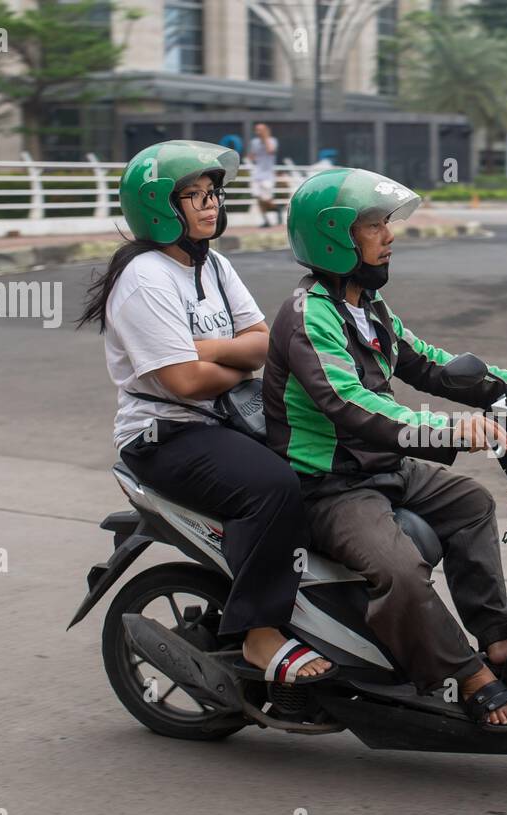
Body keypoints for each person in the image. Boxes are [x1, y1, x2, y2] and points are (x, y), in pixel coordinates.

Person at [261, 167, 507, 730]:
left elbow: (429, 364)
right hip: (332, 484)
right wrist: (449, 430)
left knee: (472, 505)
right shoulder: (309, 315)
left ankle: (498, 639)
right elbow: (351, 404)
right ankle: (466, 677)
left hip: (385, 467)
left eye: (387, 223)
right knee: (400, 571)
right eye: (375, 225)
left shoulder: (369, 308)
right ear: (336, 236)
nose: (390, 235)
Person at [77, 139, 331, 684]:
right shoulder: (145, 278)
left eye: (213, 192)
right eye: (193, 195)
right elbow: (185, 383)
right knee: (272, 485)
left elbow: (264, 340)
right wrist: (232, 362)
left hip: (223, 417)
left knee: (330, 456)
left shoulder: (213, 264)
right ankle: (261, 634)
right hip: (166, 435)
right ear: (159, 207)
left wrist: (206, 348)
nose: (210, 203)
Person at [247, 123, 280, 229]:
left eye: (261, 130)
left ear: (266, 130)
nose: (258, 132)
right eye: (257, 130)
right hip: (257, 174)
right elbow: (251, 157)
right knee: (258, 198)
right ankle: (266, 220)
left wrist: (265, 138)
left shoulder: (272, 140)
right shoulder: (254, 142)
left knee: (266, 199)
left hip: (268, 174)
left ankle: (277, 209)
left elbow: (271, 151)